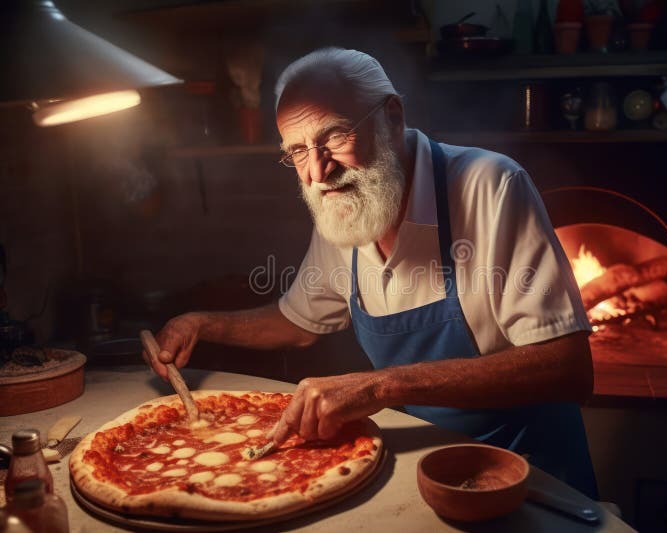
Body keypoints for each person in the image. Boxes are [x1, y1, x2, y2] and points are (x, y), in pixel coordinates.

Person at [147, 48, 598, 497]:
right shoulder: (345, 203)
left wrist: (379, 386)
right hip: (424, 469)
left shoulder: (491, 185)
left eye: (335, 137)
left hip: (528, 476)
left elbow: (568, 369)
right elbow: (298, 321)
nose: (317, 172)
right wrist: (202, 324)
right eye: (298, 151)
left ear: (393, 116)